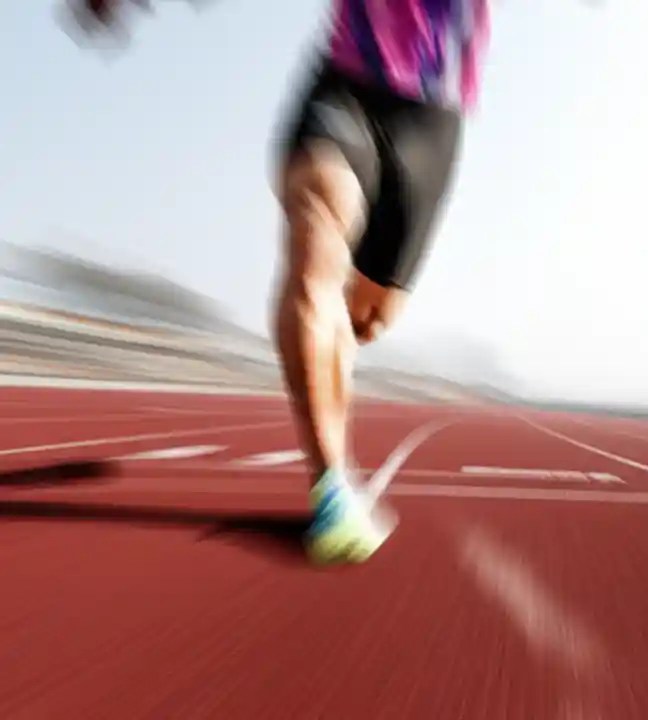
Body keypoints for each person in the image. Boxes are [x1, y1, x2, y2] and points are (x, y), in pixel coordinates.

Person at [78, 0, 492, 564]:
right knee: (315, 245)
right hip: (345, 86)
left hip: (434, 121)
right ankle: (331, 487)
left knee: (366, 319)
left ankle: (333, 400)